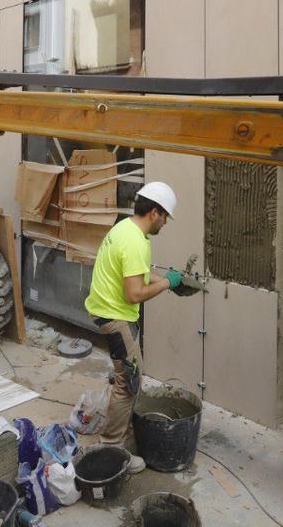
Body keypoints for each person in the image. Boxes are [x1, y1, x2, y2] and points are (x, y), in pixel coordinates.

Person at [84, 181, 183, 474]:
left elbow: (135, 273)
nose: (165, 223)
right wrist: (167, 284)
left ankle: (116, 433)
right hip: (116, 317)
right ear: (154, 212)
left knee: (125, 376)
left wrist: (165, 277)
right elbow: (134, 293)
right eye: (165, 217)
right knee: (129, 383)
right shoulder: (136, 241)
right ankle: (112, 448)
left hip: (106, 310)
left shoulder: (124, 228)